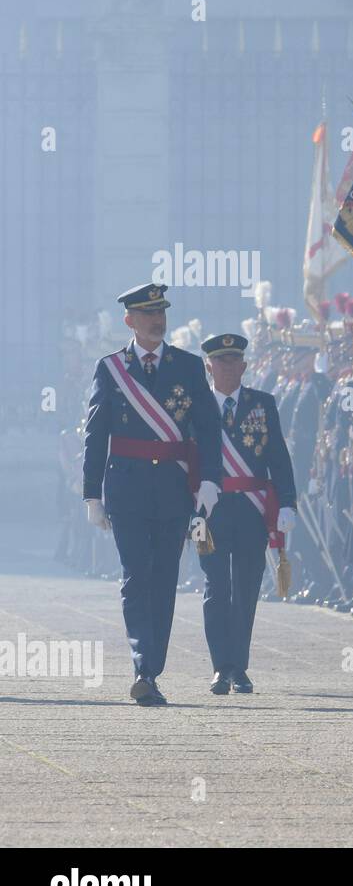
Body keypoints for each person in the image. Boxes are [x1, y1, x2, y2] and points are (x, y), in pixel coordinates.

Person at [82, 283, 222, 706]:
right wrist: (91, 494)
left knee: (164, 579)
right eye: (147, 314)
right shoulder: (110, 368)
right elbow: (95, 434)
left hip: (173, 491)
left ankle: (151, 668)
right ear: (130, 321)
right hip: (125, 489)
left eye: (161, 312)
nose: (157, 320)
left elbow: (209, 429)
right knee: (135, 576)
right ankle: (144, 667)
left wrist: (211, 482)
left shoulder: (188, 366)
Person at [198, 333, 297, 694]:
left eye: (234, 361)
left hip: (252, 510)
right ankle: (219, 666)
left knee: (246, 588)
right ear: (209, 365)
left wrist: (287, 502)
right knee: (215, 587)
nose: (228, 368)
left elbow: (279, 458)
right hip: (208, 512)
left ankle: (239, 667)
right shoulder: (197, 405)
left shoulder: (262, 403)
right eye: (220, 361)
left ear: (243, 365)